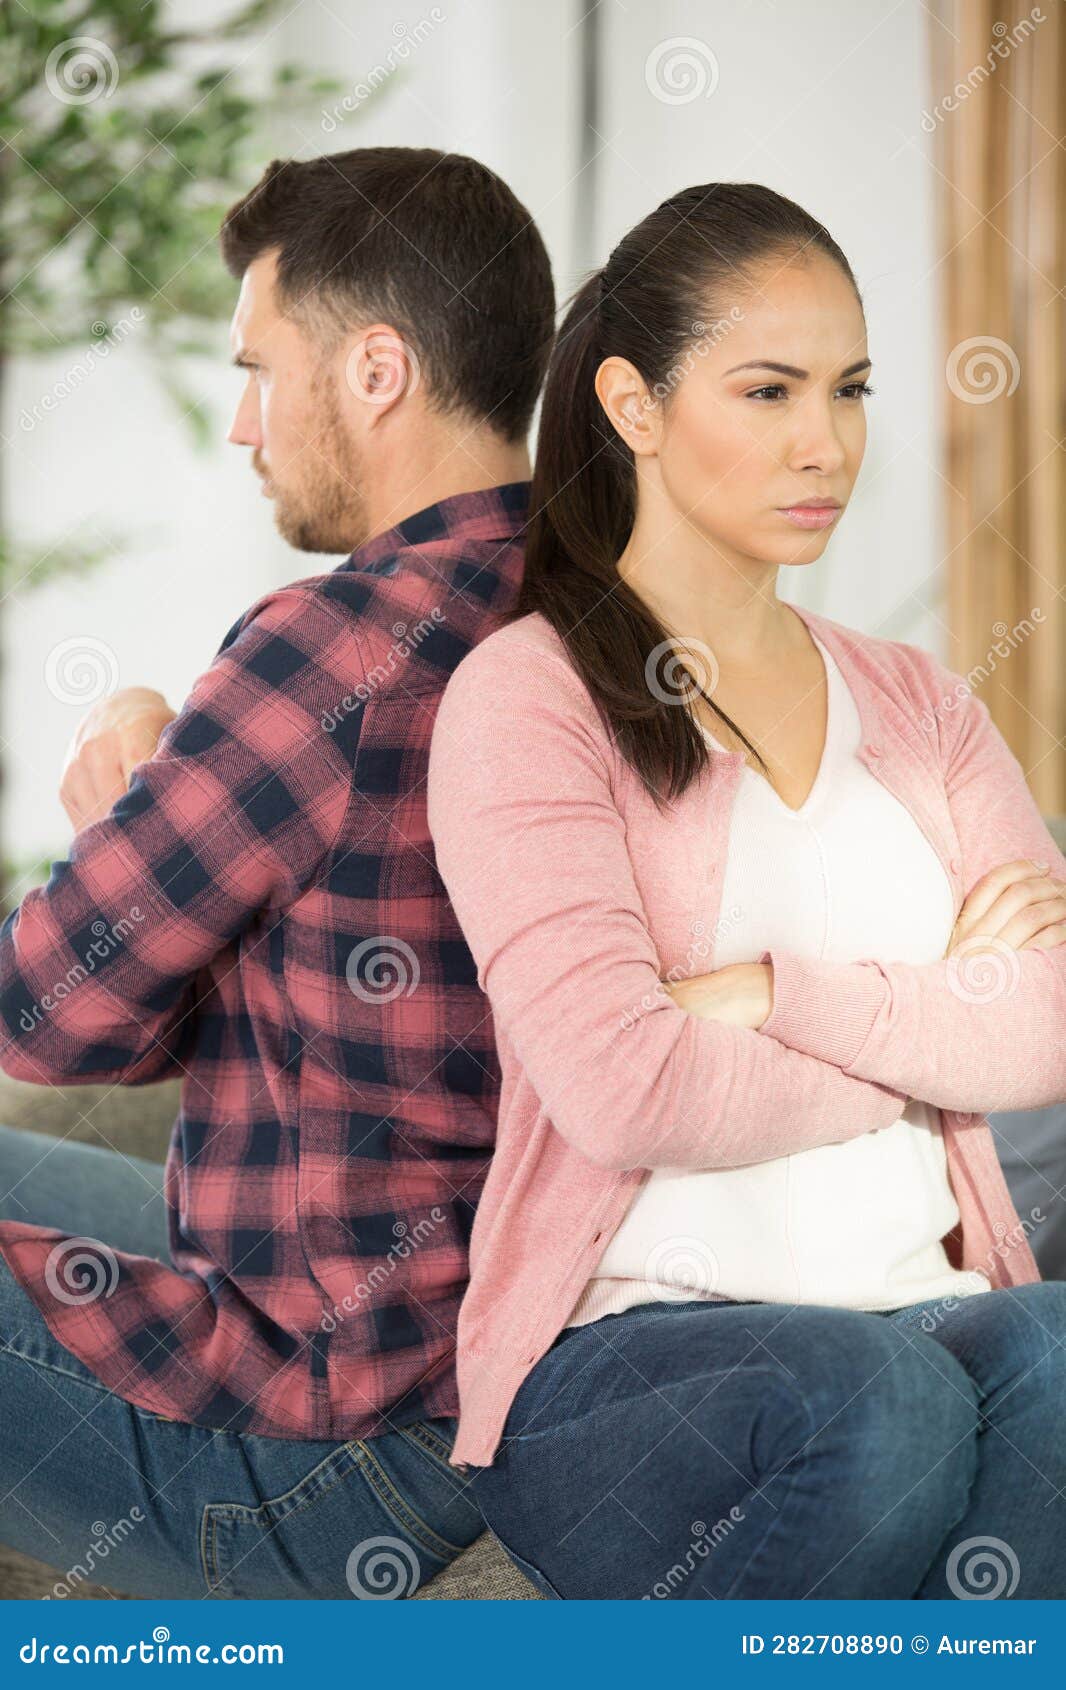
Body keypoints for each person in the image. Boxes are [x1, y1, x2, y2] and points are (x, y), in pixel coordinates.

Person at [426, 182, 1066, 1599]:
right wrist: (912, 1043)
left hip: (920, 1305)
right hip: (629, 1358)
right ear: (631, 405)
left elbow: (1041, 1032)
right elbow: (623, 1086)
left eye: (847, 388)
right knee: (867, 1400)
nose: (823, 441)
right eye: (767, 389)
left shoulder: (921, 703)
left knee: (1053, 1356)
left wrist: (776, 995)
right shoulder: (526, 700)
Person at [0, 146, 554, 1599]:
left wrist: (129, 770)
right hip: (505, 1368)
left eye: (260, 367)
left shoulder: (338, 645)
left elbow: (48, 1010)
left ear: (376, 369)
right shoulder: (621, 611)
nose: (242, 423)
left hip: (334, 1444)